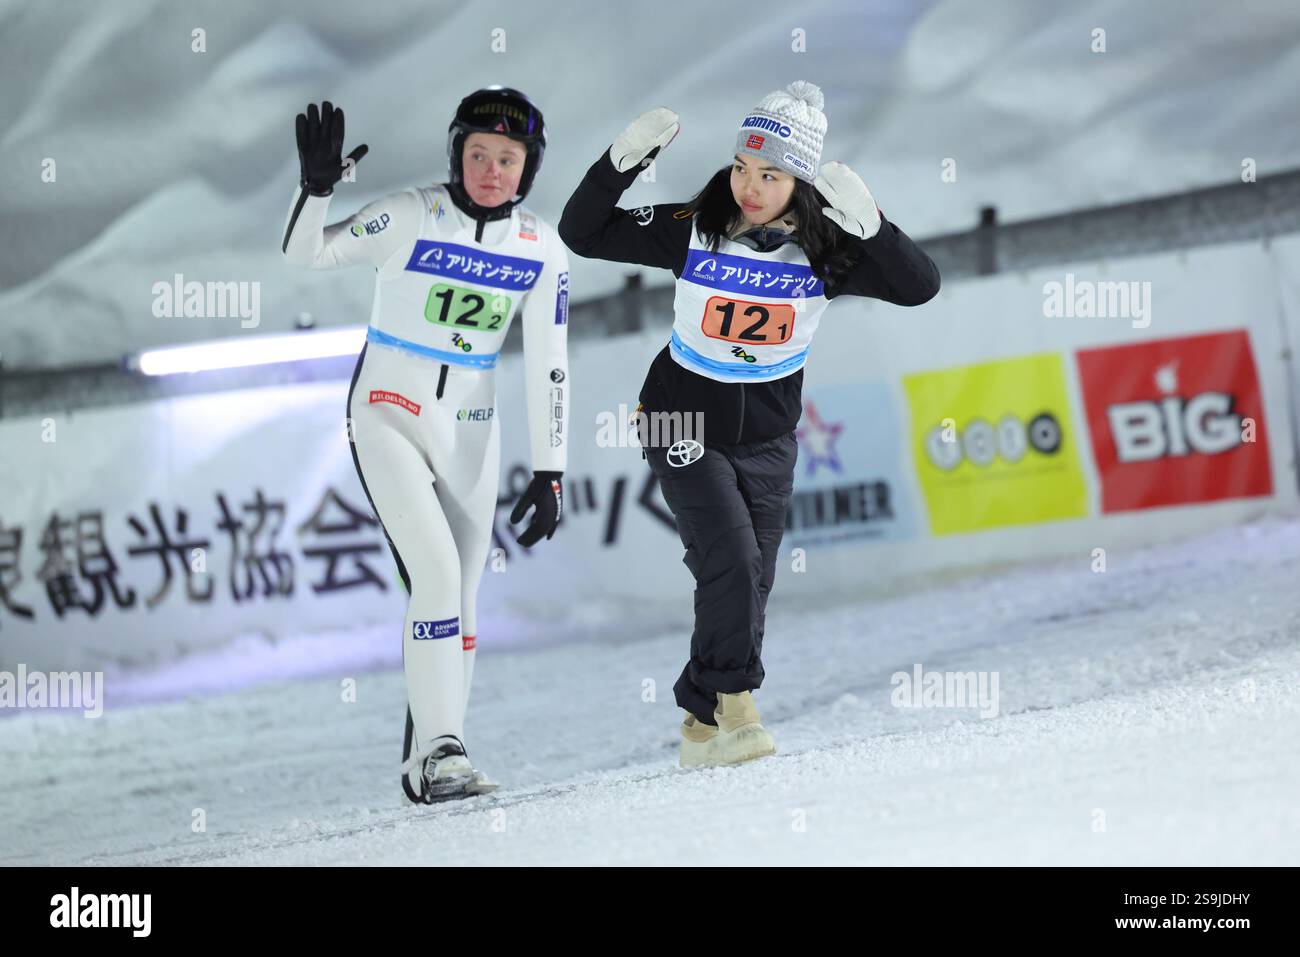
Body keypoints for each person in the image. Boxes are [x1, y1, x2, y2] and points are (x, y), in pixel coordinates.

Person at [559, 80, 940, 768]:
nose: (749, 186)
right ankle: (737, 709)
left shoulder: (829, 252)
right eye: (742, 167)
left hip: (767, 437)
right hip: (678, 417)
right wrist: (618, 165)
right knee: (731, 559)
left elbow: (920, 286)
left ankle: (698, 718)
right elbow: (580, 234)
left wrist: (876, 227)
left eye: (770, 174)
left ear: (799, 180)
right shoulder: (696, 227)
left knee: (749, 578)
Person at [282, 88, 571, 802]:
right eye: (477, 154)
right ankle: (444, 748)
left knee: (462, 596)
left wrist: (550, 469)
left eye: (508, 158)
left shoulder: (541, 247)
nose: (491, 169)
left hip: (472, 429)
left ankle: (432, 758)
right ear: (456, 154)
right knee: (436, 575)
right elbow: (305, 253)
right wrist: (315, 191)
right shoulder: (411, 214)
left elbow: (550, 361)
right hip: (386, 412)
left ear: (528, 167)